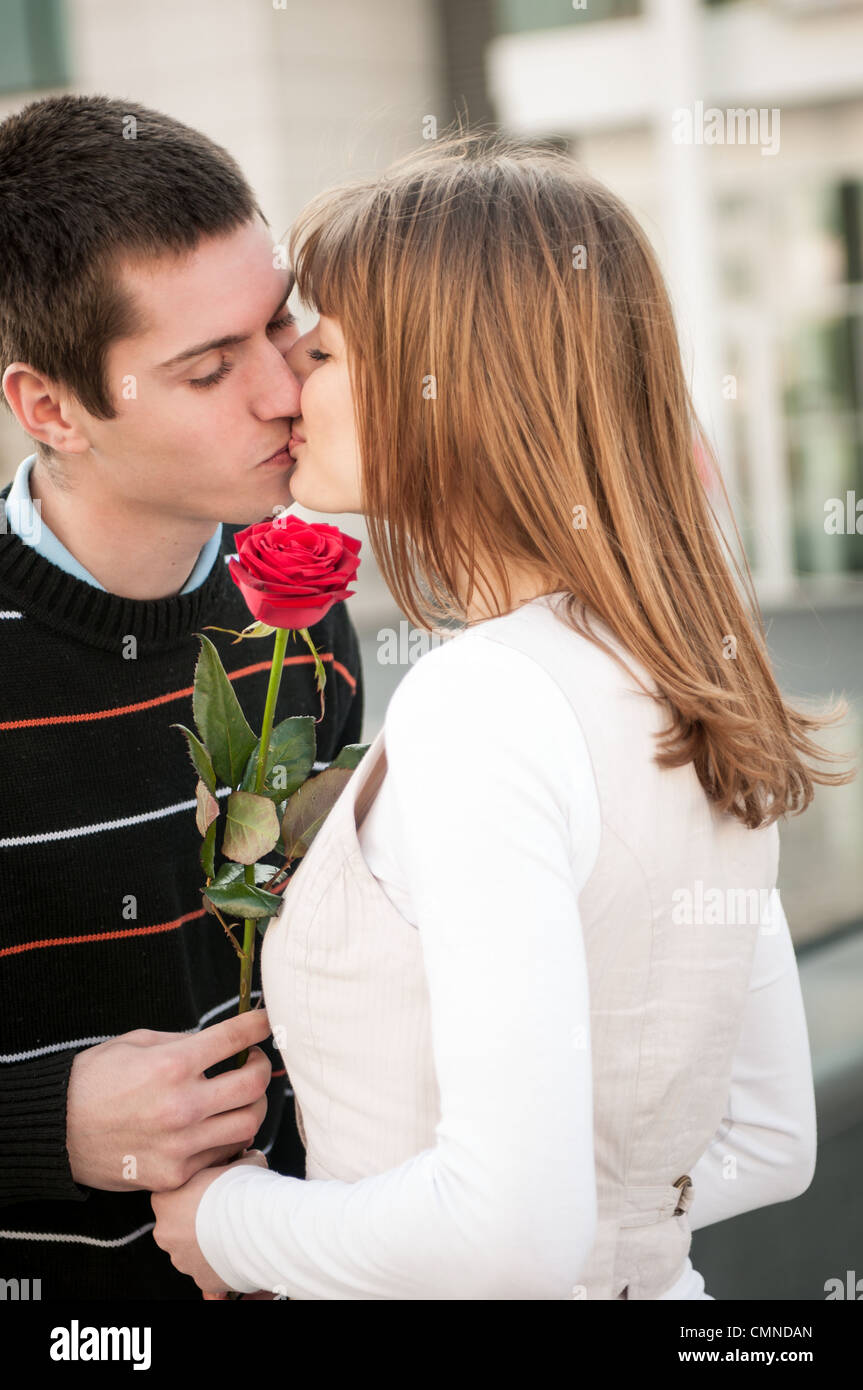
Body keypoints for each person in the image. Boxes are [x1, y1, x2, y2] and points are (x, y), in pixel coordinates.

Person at [151, 133, 852, 1300]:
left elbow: (503, 1238)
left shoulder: (482, 703)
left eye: (318, 347)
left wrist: (229, 1219)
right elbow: (767, 1143)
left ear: (449, 385)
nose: (284, 383)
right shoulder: (686, 673)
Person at [0, 94, 364, 1300]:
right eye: (209, 367)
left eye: (280, 328)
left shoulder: (305, 613)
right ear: (52, 408)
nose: (281, 392)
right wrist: (39, 1122)